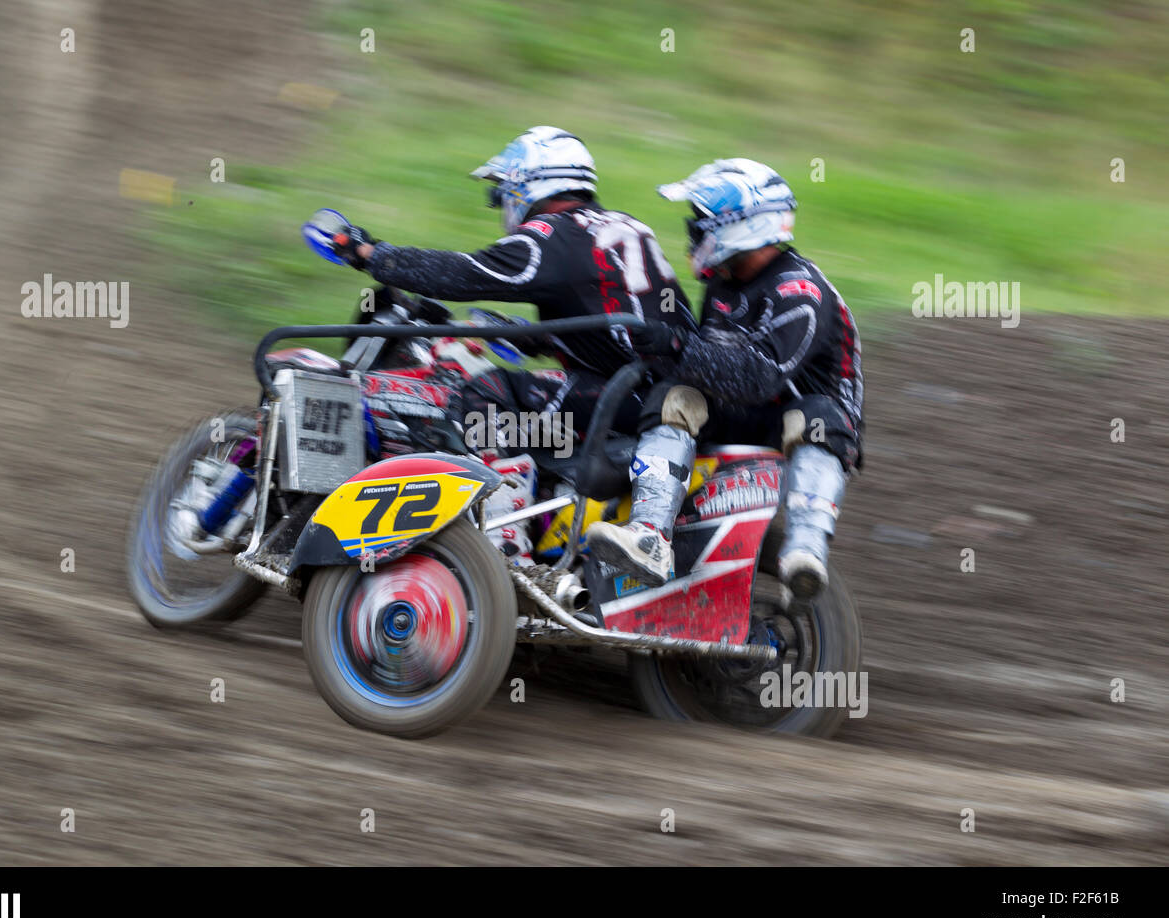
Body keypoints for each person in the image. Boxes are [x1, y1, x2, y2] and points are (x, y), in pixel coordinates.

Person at [326, 126, 703, 563]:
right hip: (665, 386)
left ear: (529, 185)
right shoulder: (622, 224)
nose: (500, 202)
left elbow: (466, 273)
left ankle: (505, 547)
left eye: (502, 191)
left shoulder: (549, 236)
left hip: (628, 393)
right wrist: (532, 337)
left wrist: (373, 255)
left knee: (487, 393)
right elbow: (617, 312)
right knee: (531, 394)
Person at [587, 158, 863, 600]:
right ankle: (649, 536)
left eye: (702, 222)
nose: (693, 231)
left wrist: (675, 345)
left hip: (810, 424)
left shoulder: (799, 291)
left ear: (743, 226)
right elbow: (710, 363)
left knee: (813, 416)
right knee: (673, 395)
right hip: (747, 410)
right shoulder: (725, 283)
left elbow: (758, 378)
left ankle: (805, 550)